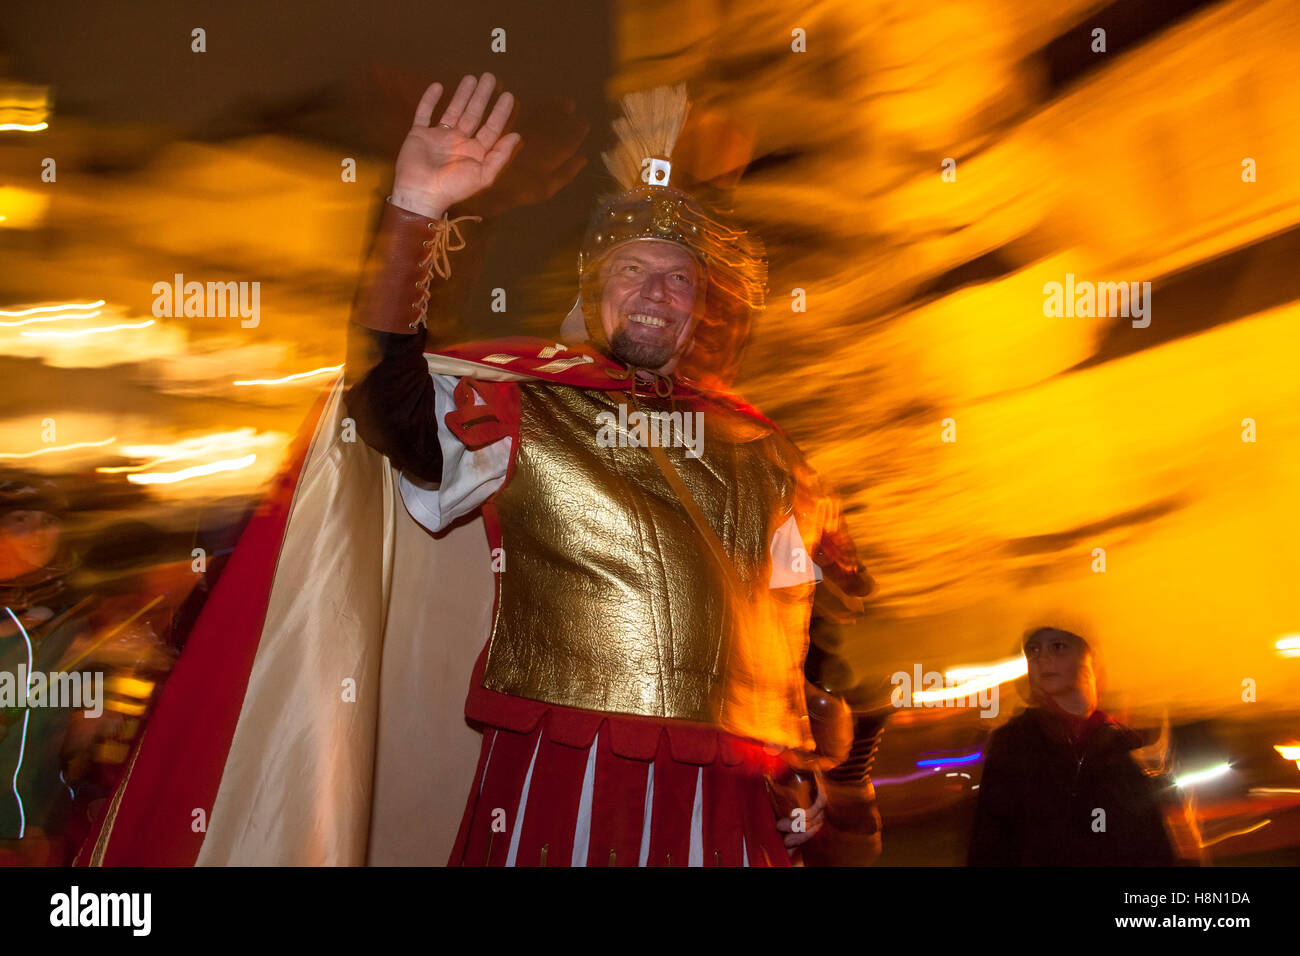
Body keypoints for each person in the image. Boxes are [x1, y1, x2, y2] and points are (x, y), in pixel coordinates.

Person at [78, 74, 879, 867]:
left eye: (678, 278)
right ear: (595, 293)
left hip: (727, 808)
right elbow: (389, 407)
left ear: (698, 303)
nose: (654, 293)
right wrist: (416, 212)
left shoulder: (766, 453)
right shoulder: (527, 402)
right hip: (561, 788)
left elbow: (793, 628)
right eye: (631, 270)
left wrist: (805, 764)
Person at [967, 626, 1179, 866]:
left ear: (1089, 662)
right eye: (1033, 650)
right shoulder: (1012, 745)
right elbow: (988, 843)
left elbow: (1152, 843)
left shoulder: (1123, 747)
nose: (1041, 658)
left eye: (1058, 647)